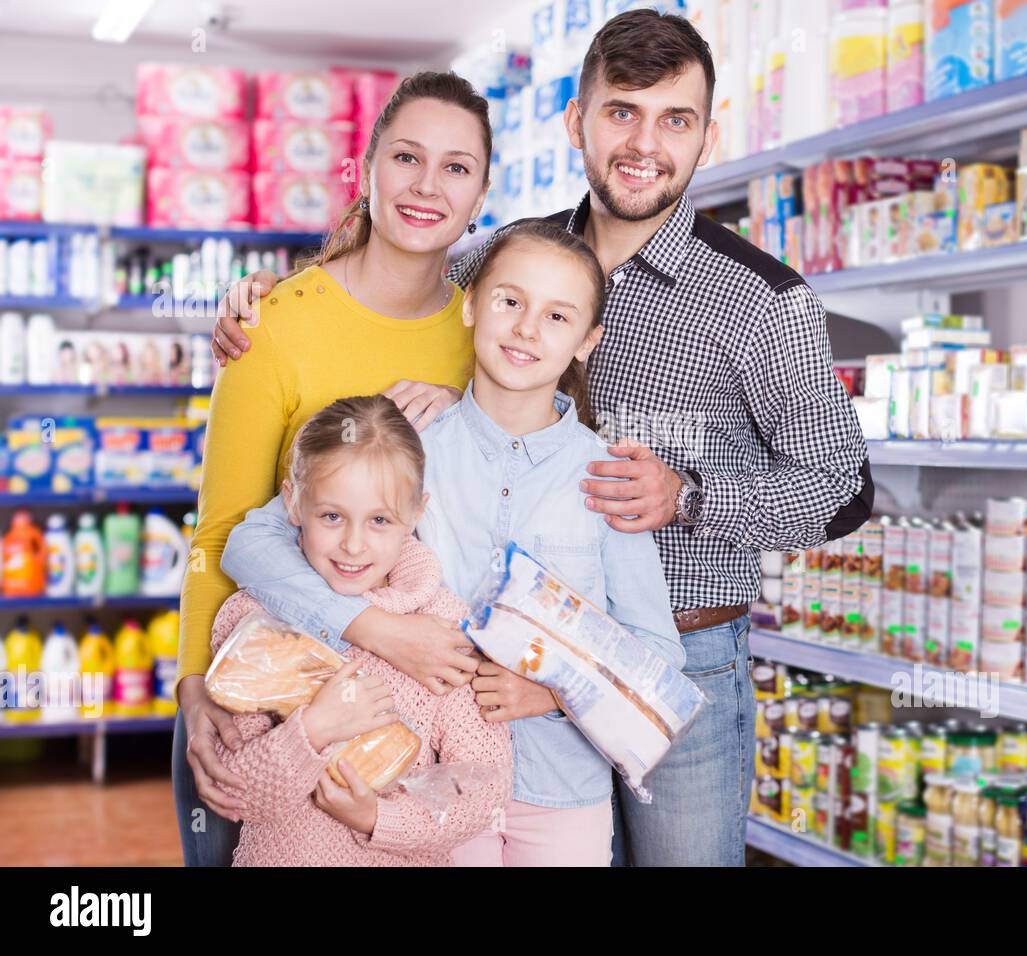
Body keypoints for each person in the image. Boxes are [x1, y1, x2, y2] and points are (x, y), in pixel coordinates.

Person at [213, 9, 872, 867]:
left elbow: (845, 485)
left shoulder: (761, 297)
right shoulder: (497, 263)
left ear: (708, 138)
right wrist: (273, 298)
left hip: (684, 664)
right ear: (577, 121)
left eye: (675, 120)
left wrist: (691, 496)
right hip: (465, 682)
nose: (644, 142)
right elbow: (390, 263)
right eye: (620, 112)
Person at [221, 220, 683, 866]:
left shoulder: (605, 477)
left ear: (587, 342)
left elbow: (661, 658)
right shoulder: (412, 450)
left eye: (557, 316)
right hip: (420, 785)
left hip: (562, 788)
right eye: (509, 301)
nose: (526, 329)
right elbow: (250, 544)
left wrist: (554, 692)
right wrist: (372, 625)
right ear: (470, 305)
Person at [175, 71, 493, 866]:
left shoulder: (489, 338)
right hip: (260, 707)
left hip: (413, 735)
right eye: (406, 158)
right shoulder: (274, 323)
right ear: (365, 169)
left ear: (483, 189)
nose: (427, 186)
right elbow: (222, 528)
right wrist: (192, 685)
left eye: (456, 167)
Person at [208, 395, 512, 865]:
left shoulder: (445, 629)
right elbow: (235, 792)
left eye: (379, 520)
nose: (352, 544)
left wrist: (377, 818)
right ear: (292, 502)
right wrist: (313, 728)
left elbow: (484, 784)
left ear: (415, 514)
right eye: (331, 516)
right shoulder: (253, 621)